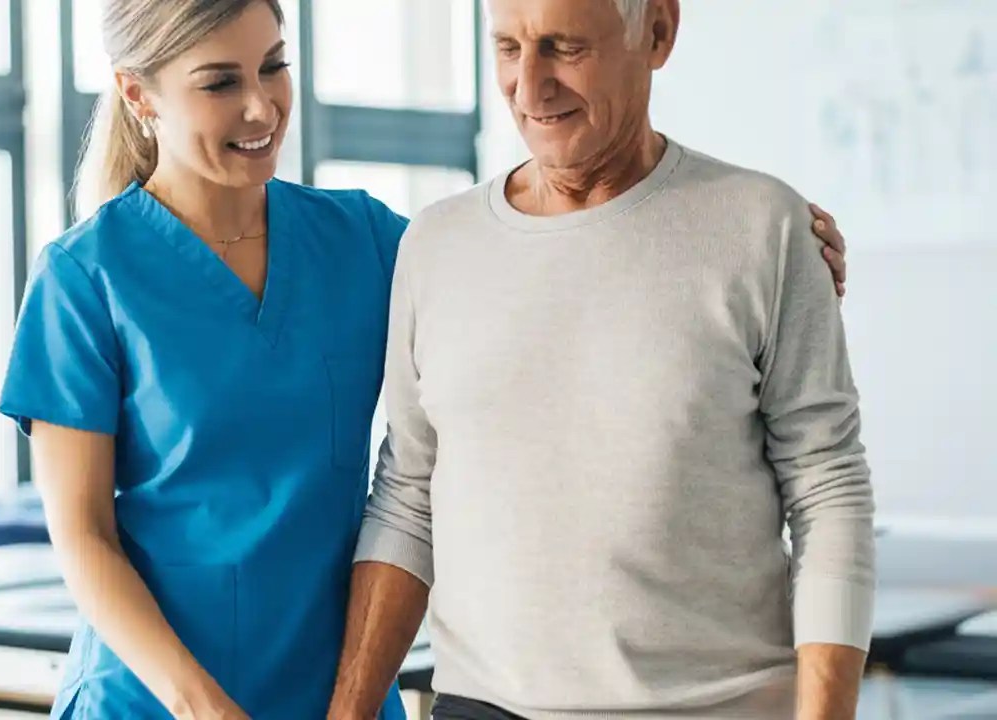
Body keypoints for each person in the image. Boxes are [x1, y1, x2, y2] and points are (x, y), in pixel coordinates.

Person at [0, 0, 849, 718]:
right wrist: (200, 705)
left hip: (326, 687)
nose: (261, 107)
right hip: (155, 696)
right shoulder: (84, 279)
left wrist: (763, 236)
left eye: (274, 66)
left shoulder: (363, 240)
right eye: (220, 82)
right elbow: (83, 538)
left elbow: (542, 268)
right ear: (139, 96)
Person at [327, 1, 871, 720]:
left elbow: (827, 490)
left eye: (563, 47)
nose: (529, 86)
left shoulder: (763, 227)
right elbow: (408, 496)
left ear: (658, 33)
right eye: (508, 48)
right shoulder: (435, 246)